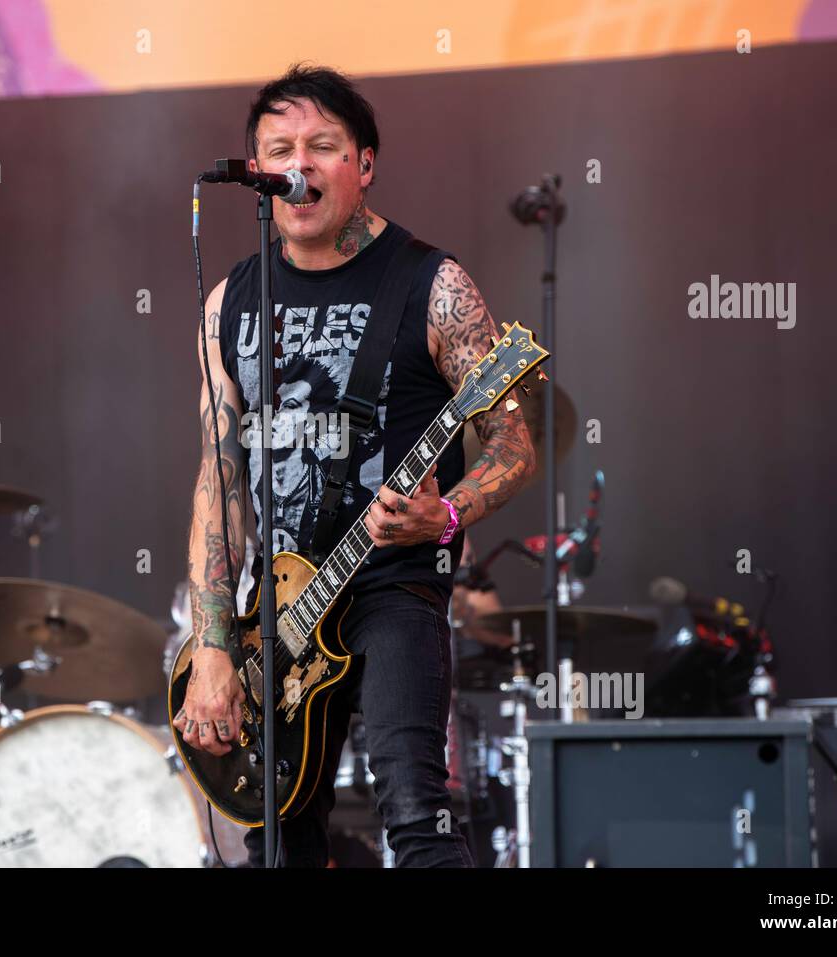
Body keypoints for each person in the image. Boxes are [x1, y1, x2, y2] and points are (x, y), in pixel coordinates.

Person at [175, 64, 536, 867]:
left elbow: (515, 444)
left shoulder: (432, 285)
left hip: (391, 581)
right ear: (258, 173)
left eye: (322, 146)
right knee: (279, 838)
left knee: (413, 804)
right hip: (277, 607)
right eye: (279, 149)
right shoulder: (229, 303)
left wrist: (446, 514)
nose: (297, 164)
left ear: (364, 164)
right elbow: (220, 475)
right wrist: (212, 645)